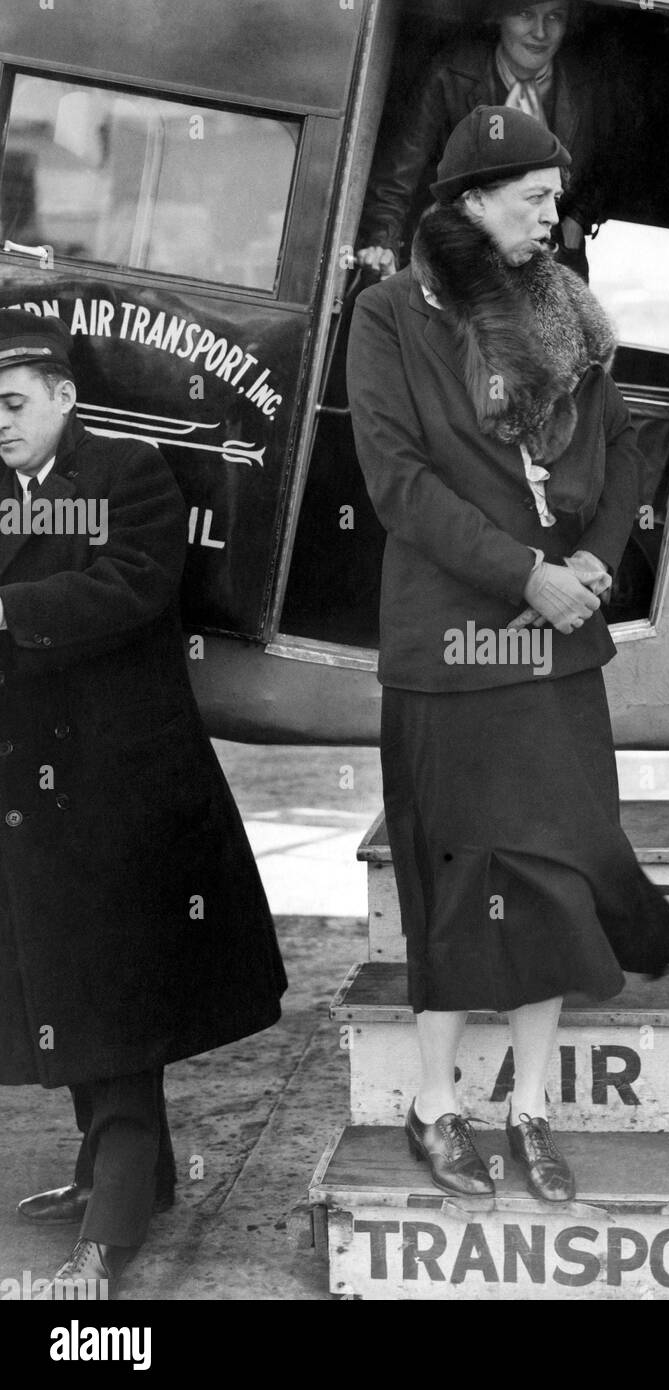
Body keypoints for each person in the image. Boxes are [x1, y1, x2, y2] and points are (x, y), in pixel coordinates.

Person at [346, 107, 669, 1205]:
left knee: (553, 886)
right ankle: (435, 1103)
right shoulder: (390, 315)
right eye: (534, 195)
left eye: (555, 194)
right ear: (469, 202)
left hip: (555, 653)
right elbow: (398, 482)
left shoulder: (570, 316)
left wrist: (592, 558)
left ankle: (530, 1107)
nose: (556, 213)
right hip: (451, 652)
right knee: (457, 892)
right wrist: (525, 576)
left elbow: (626, 450)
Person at [0, 310, 287, 1297]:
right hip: (35, 795)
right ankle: (126, 1175)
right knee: (73, 999)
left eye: (10, 403)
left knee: (114, 1011)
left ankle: (107, 1237)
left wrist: (4, 612)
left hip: (123, 791)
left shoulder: (127, 474)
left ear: (64, 396)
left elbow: (128, 589)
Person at [357, 1, 601, 281]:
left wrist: (576, 221)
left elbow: (604, 163)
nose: (540, 32)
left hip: (544, 257)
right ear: (499, 16)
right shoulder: (451, 74)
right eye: (524, 14)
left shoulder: (584, 90)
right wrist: (382, 242)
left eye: (555, 17)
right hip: (457, 251)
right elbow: (399, 174)